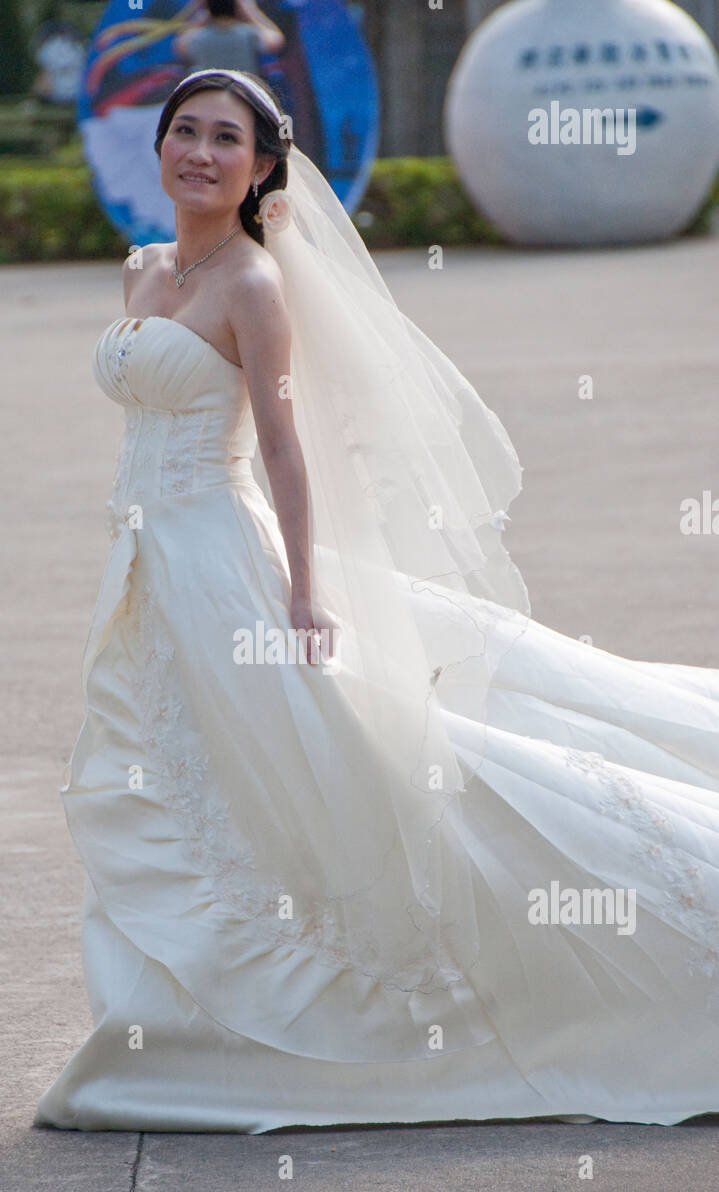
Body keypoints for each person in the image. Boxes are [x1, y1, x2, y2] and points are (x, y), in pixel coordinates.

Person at [35, 69, 719, 1134]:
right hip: (142, 565)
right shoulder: (145, 272)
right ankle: (173, 1024)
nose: (200, 153)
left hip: (220, 555)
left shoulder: (251, 286)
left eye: (226, 139)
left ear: (262, 168)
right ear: (157, 146)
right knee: (178, 779)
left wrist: (302, 596)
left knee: (318, 767)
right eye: (184, 132)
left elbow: (283, 445)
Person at [173, 0, 285, 76]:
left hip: (212, 93)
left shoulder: (198, 37)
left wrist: (200, 14)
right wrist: (250, 11)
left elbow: (179, 46)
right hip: (245, 92)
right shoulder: (247, 33)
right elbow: (276, 40)